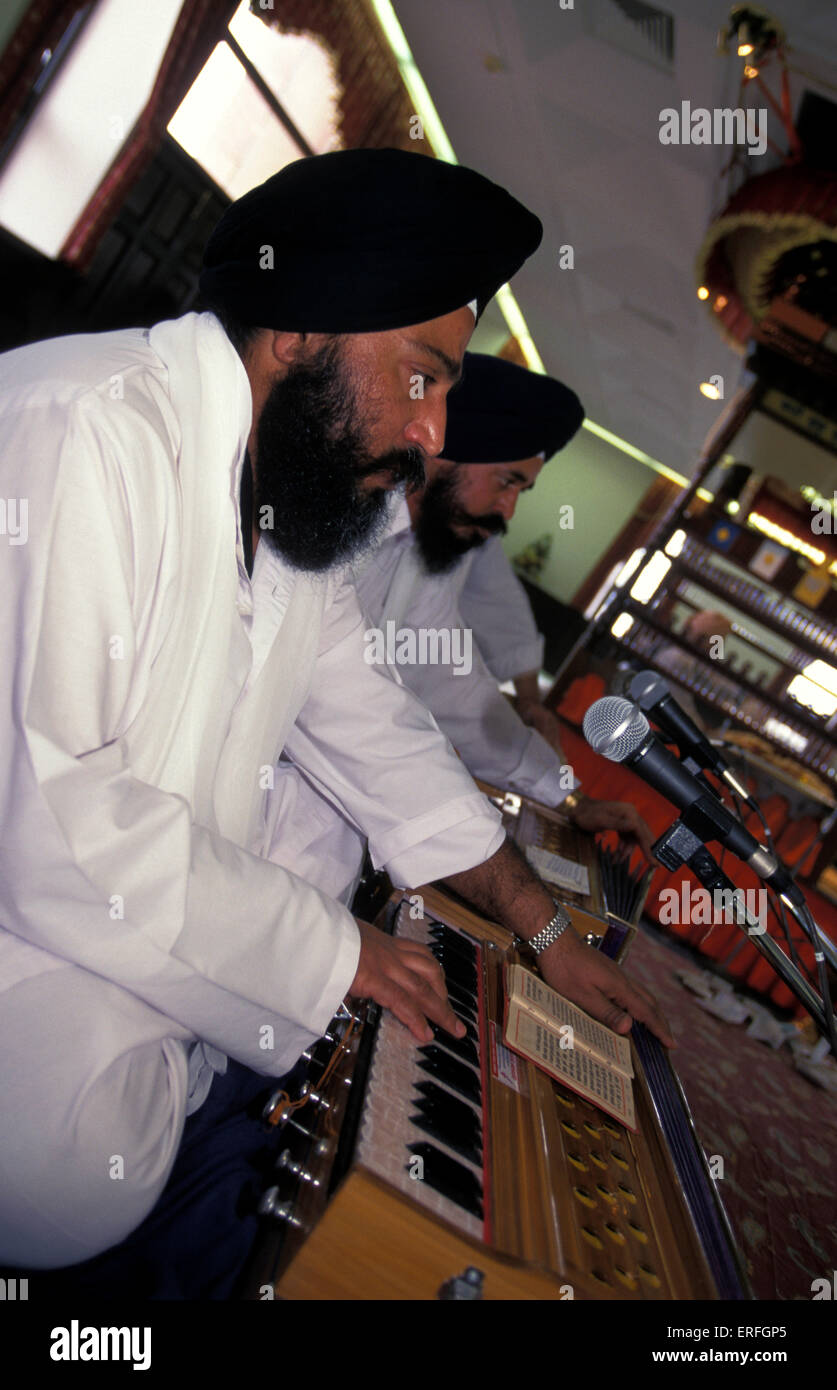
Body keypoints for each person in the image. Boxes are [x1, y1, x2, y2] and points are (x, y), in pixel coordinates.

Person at [0, 148, 670, 1296]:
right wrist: (338, 950)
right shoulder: (84, 430)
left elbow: (384, 733)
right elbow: (55, 822)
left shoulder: (281, 509)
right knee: (59, 1169)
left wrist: (544, 932)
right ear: (301, 329)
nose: (431, 433)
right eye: (423, 375)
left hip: (123, 966)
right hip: (41, 927)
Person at [353, 352, 657, 857]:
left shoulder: (431, 552)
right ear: (450, 451)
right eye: (508, 482)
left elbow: (452, 685)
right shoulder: (341, 519)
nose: (510, 512)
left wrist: (569, 797)